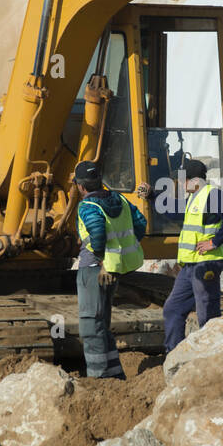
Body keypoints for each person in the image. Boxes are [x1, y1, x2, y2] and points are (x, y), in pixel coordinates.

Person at [74, 160, 146, 378]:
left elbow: (97, 233)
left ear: (81, 186)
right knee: (102, 323)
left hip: (94, 268)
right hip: (113, 270)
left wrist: (102, 258)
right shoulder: (120, 199)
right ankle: (114, 374)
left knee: (90, 325)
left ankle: (98, 378)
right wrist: (119, 254)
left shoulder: (88, 206)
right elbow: (140, 223)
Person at [162, 159, 223, 353]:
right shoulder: (193, 198)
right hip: (190, 266)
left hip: (205, 265)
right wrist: (151, 195)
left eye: (184, 180)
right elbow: (173, 212)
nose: (181, 184)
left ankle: (213, 355)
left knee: (206, 313)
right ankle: (175, 355)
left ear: (195, 180)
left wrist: (215, 242)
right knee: (173, 308)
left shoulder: (211, 195)